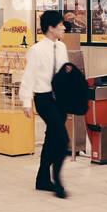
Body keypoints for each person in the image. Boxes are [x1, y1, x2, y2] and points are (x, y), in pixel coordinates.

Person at [21, 10, 70, 198]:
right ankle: (57, 181)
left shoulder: (62, 47)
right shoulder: (36, 50)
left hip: (60, 100)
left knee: (51, 139)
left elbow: (64, 74)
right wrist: (26, 101)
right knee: (62, 139)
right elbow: (29, 76)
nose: (64, 28)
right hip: (44, 98)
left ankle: (42, 179)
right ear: (51, 28)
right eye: (61, 25)